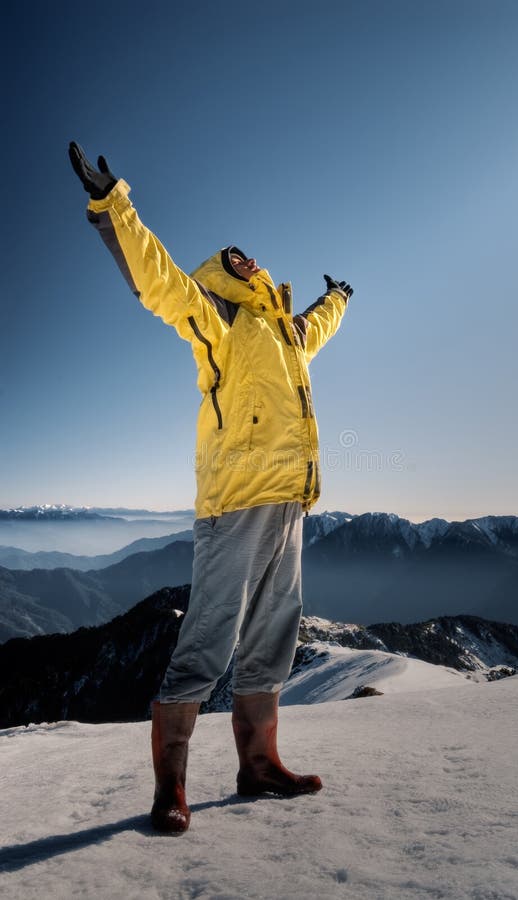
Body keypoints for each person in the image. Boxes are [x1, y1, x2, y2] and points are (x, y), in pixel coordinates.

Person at [68, 142, 353, 833]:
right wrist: (114, 207)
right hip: (235, 502)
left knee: (272, 637)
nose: (246, 258)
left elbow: (315, 327)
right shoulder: (221, 320)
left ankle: (258, 767)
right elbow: (158, 282)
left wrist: (337, 297)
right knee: (207, 640)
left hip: (290, 499)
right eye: (234, 257)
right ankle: (171, 787)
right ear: (225, 275)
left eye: (249, 256)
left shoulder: (285, 331)